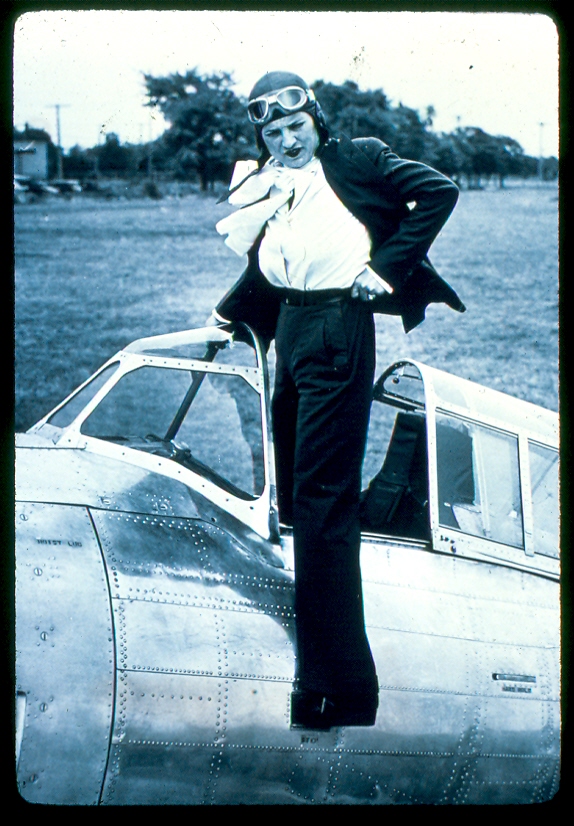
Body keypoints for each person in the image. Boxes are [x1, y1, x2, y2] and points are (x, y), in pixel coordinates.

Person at [213, 71, 464, 731]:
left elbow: (439, 191)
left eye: (296, 126)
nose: (288, 140)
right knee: (297, 498)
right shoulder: (271, 182)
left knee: (323, 504)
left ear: (316, 119)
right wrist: (226, 315)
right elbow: (269, 264)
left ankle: (336, 693)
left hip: (337, 327)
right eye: (275, 132)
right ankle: (320, 658)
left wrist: (386, 269)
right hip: (292, 330)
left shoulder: (357, 159)